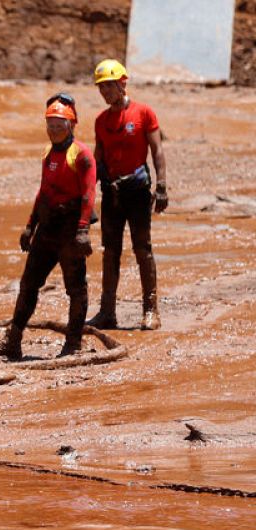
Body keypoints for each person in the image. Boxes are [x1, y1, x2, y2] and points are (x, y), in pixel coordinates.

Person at [0, 95, 96, 359]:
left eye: (59, 123)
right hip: (47, 226)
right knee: (28, 283)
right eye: (50, 123)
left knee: (76, 288)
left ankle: (73, 344)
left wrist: (83, 230)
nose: (53, 129)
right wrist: (30, 226)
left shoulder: (82, 154)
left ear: (71, 124)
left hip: (71, 228)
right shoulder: (48, 153)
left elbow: (88, 195)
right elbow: (43, 192)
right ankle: (13, 340)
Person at [86, 59, 168, 330]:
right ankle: (107, 311)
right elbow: (98, 159)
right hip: (112, 193)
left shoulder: (144, 113)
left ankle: (151, 310)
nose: (105, 92)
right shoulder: (101, 121)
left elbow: (157, 151)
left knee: (142, 249)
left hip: (138, 192)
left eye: (109, 86)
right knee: (110, 251)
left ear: (122, 84)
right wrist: (86, 196)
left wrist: (162, 186)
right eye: (101, 88)